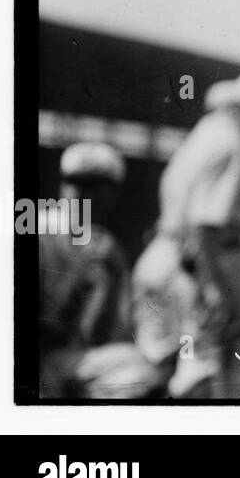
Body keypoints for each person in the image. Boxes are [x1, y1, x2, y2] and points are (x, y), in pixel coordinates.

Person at [131, 67, 240, 397]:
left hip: (157, 262)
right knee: (200, 370)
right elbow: (204, 225)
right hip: (195, 267)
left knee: (159, 369)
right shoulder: (234, 143)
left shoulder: (209, 129)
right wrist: (213, 286)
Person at [39, 142, 163, 398]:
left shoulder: (105, 248)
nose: (81, 193)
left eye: (91, 186)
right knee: (142, 375)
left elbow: (111, 329)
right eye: (77, 183)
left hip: (63, 358)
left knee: (142, 370)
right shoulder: (37, 233)